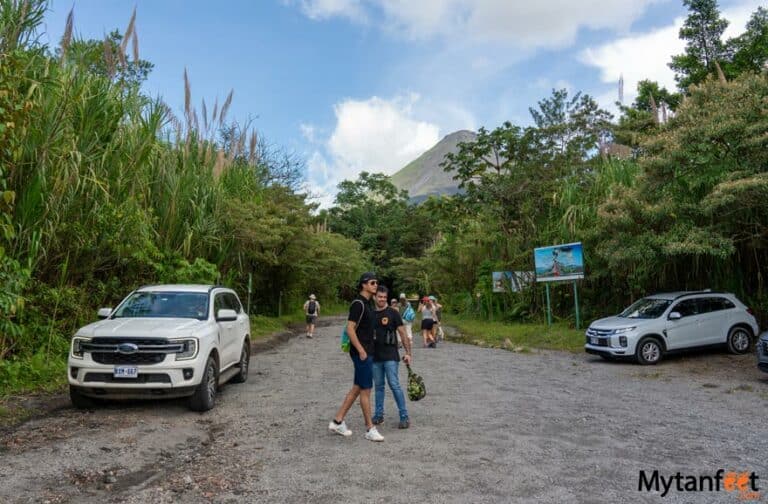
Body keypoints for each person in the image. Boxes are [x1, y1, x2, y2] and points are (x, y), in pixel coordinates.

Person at [328, 272, 385, 442]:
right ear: (364, 285)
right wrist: (360, 350)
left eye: (376, 282)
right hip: (362, 353)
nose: (375, 285)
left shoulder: (368, 304)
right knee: (366, 391)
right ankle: (370, 428)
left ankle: (338, 421)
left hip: (367, 351)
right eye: (372, 282)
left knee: (357, 388)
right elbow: (350, 328)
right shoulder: (358, 304)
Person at [372, 285, 412, 429]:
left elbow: (403, 334)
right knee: (378, 387)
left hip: (390, 356)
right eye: (379, 297)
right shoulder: (370, 313)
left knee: (394, 385)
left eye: (384, 297)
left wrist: (408, 353)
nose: (382, 299)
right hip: (375, 357)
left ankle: (404, 416)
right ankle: (378, 415)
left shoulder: (393, 313)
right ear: (374, 297)